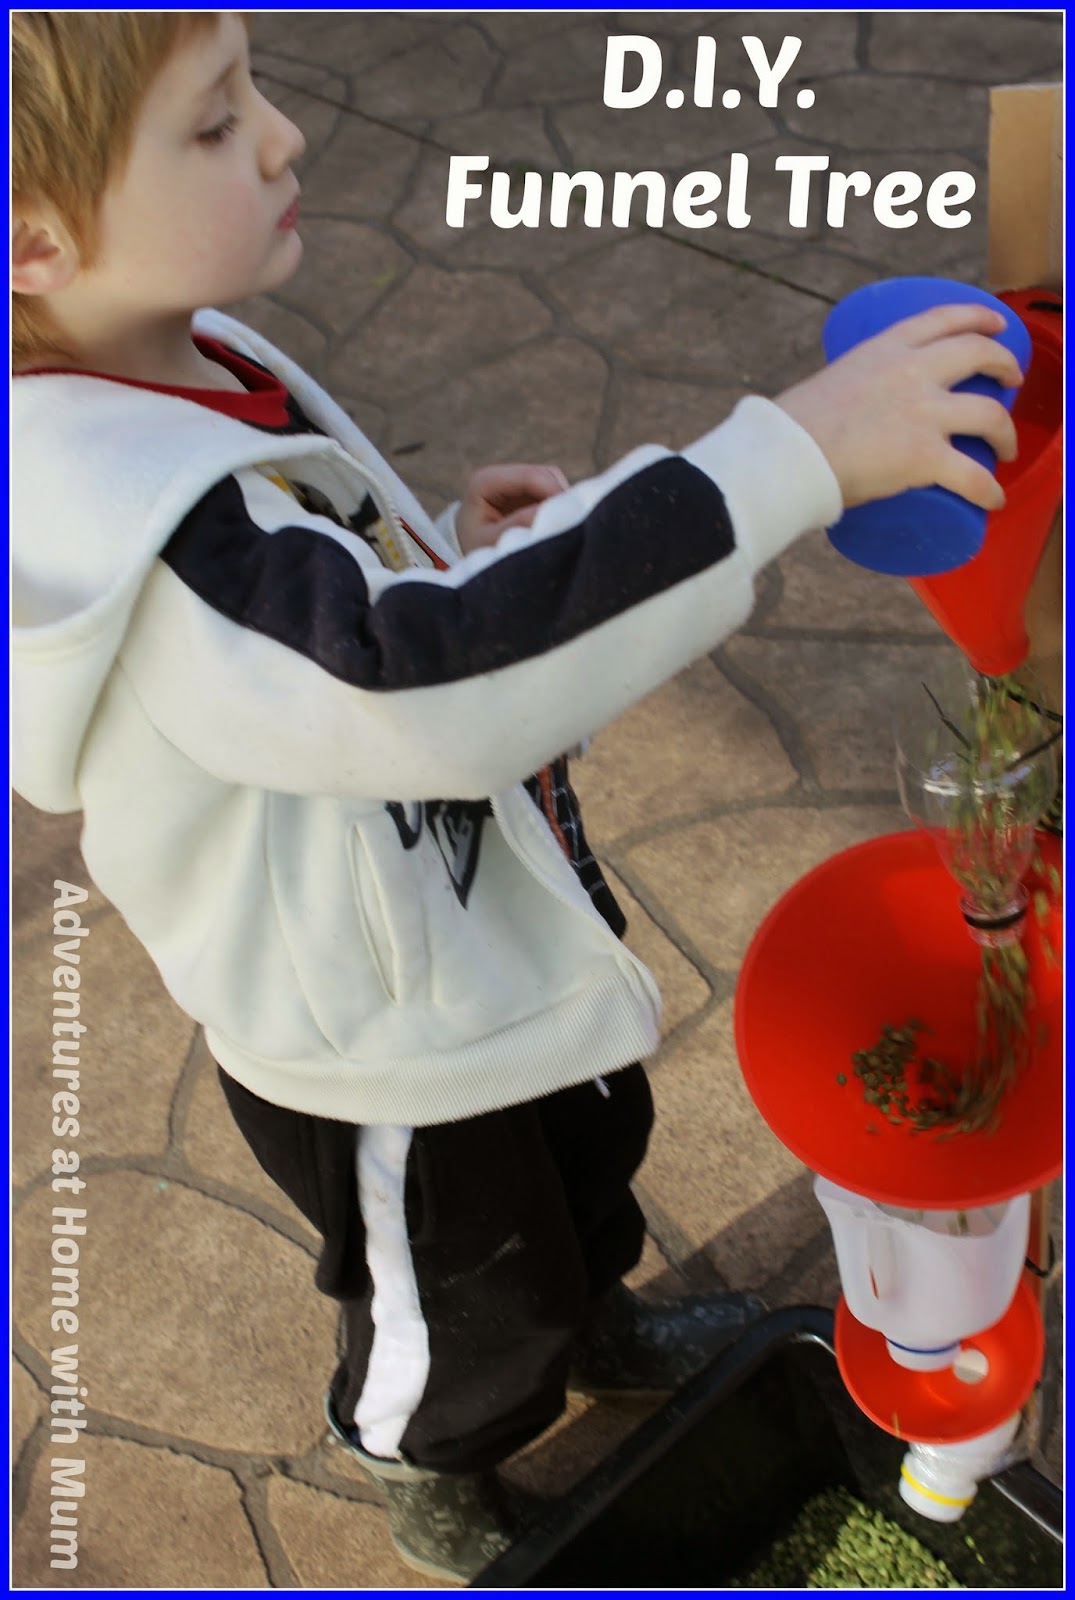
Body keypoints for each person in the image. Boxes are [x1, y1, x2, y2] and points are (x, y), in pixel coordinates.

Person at [11, 12, 1023, 1584]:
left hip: (455, 917)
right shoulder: (132, 533)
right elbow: (402, 688)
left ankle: (599, 1314)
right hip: (377, 1035)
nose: (282, 134)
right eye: (215, 124)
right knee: (466, 1290)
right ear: (35, 238)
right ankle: (427, 1456)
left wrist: (438, 558)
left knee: (582, 1147)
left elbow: (336, 613)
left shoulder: (186, 345)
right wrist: (795, 458)